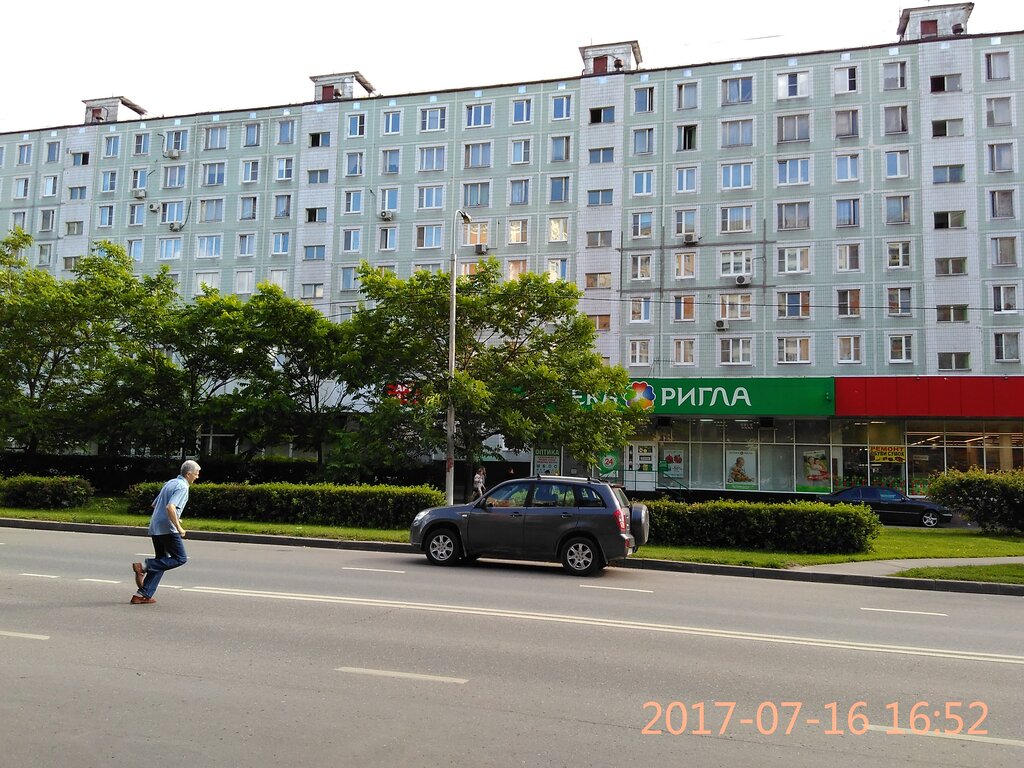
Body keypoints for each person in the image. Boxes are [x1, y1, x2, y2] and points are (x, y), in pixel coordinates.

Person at [130, 460, 201, 605]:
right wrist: (179, 527)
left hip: (156, 526)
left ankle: (142, 594)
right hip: (167, 528)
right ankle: (144, 566)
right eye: (196, 474)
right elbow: (170, 507)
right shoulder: (182, 486)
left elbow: (155, 504)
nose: (197, 477)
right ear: (188, 474)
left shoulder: (170, 482)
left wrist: (176, 518)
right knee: (180, 558)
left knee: (162, 559)